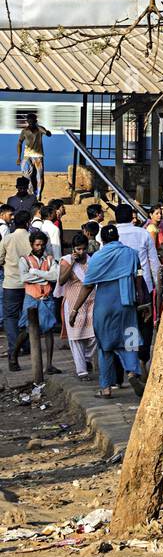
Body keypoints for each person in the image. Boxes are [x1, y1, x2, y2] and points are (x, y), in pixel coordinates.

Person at [69, 223, 144, 399]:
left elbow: (87, 286)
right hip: (127, 304)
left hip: (105, 307)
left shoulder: (97, 257)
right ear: (117, 237)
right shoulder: (131, 253)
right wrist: (140, 295)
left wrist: (74, 309)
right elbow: (139, 275)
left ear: (102, 239)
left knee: (105, 346)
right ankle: (133, 372)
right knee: (130, 340)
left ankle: (106, 388)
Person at [114, 203, 159, 368]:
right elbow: (154, 263)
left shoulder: (111, 234)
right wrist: (158, 289)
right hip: (144, 286)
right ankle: (141, 360)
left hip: (120, 287)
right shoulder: (143, 233)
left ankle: (130, 361)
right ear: (131, 217)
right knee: (145, 323)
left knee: (128, 323)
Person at [55, 234, 97, 380]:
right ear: (73, 249)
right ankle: (82, 371)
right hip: (73, 301)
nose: (81, 252)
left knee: (94, 334)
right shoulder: (66, 261)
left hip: (91, 300)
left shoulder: (91, 261)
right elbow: (61, 281)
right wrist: (73, 263)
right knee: (76, 336)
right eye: (78, 249)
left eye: (83, 249)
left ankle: (86, 358)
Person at [19, 230, 59, 380]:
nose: (40, 247)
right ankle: (14, 354)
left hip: (46, 297)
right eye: (37, 245)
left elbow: (54, 276)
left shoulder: (49, 259)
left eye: (42, 245)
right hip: (31, 297)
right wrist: (44, 278)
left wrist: (36, 273)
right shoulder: (24, 259)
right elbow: (24, 277)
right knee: (26, 329)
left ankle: (48, 365)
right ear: (31, 244)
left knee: (48, 330)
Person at [0, 211, 36, 371]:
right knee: (28, 316)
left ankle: (14, 349)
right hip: (30, 283)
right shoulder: (33, 240)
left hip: (11, 284)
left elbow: (0, 259)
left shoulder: (7, 239)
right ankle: (25, 345)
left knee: (10, 318)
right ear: (28, 222)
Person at [17, 112, 51, 200]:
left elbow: (48, 134)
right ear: (27, 121)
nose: (30, 123)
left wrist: (37, 126)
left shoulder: (39, 129)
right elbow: (19, 143)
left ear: (35, 121)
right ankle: (30, 193)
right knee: (26, 175)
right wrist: (18, 157)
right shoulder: (24, 131)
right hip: (27, 155)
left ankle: (38, 194)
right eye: (29, 121)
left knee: (39, 176)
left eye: (32, 121)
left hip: (38, 156)